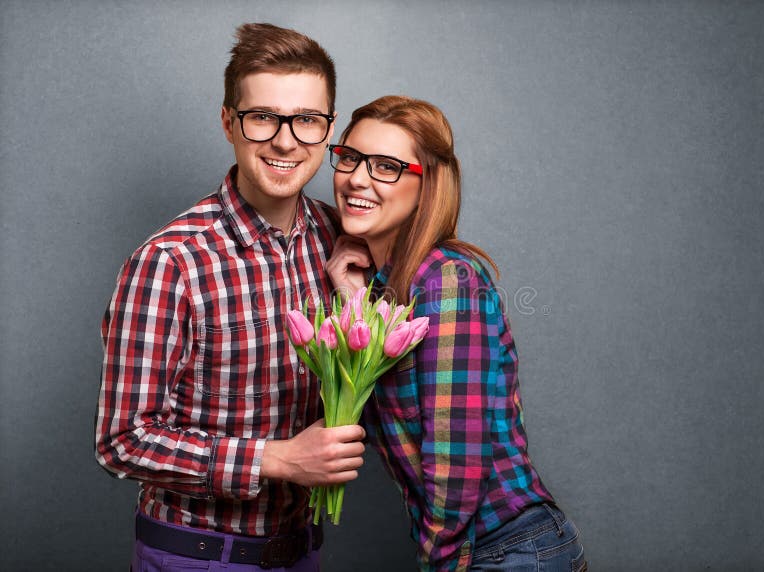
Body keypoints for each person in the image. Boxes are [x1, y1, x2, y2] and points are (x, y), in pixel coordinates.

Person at [95, 23, 367, 572]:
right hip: (198, 556)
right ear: (228, 122)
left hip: (302, 553)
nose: (286, 141)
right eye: (263, 116)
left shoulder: (337, 239)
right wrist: (278, 460)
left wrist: (355, 305)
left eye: (307, 120)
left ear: (329, 128)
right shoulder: (171, 261)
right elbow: (122, 441)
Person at [325, 96, 587, 571]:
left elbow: (456, 462)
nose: (357, 179)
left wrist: (438, 561)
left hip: (507, 550)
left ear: (426, 186)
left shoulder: (446, 280)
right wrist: (354, 300)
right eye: (350, 157)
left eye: (386, 166)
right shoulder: (388, 290)